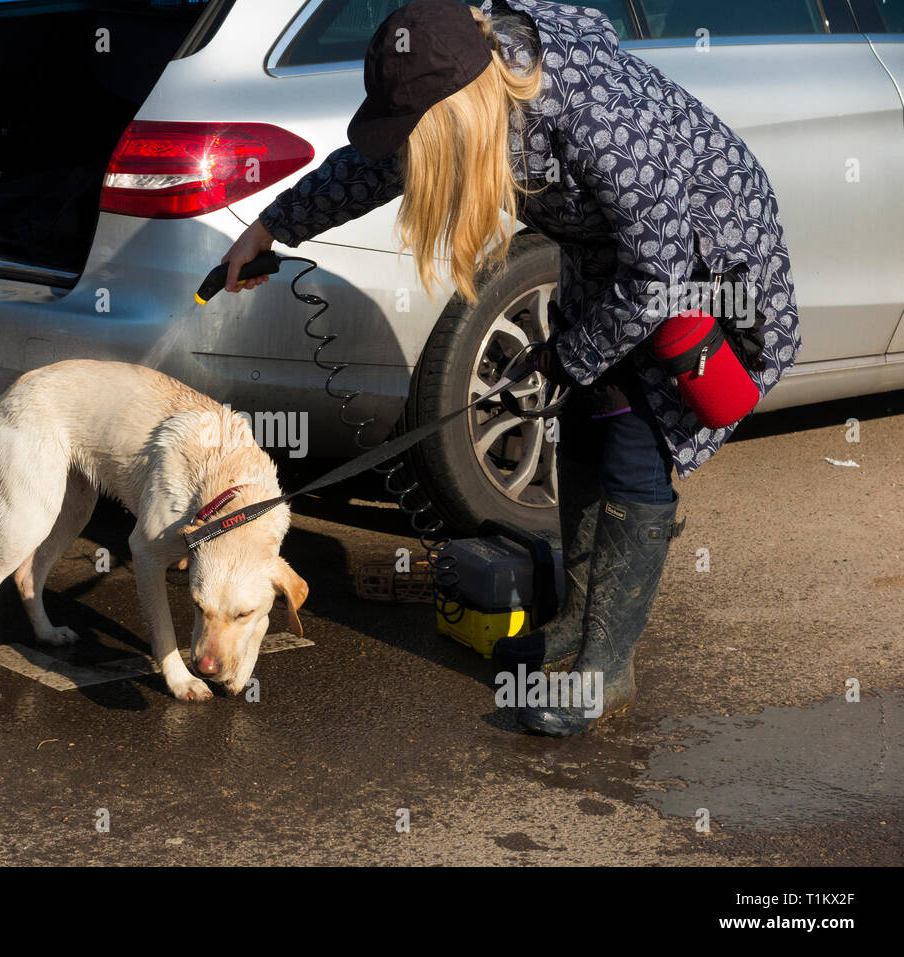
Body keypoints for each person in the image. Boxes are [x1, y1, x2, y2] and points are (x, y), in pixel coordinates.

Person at [221, 0, 800, 736]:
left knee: (636, 440)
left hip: (704, 262)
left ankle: (606, 666)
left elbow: (660, 270)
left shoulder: (588, 111)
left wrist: (570, 354)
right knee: (588, 422)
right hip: (611, 263)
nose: (413, 153)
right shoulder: (464, 86)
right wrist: (272, 227)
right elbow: (372, 168)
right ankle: (576, 627)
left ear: (459, 108)